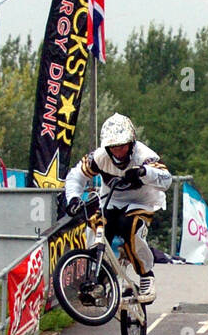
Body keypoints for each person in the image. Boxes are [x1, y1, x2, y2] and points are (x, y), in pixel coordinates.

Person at [64, 113, 172, 304]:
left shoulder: (144, 156)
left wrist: (144, 172)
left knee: (130, 227)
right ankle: (99, 277)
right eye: (113, 147)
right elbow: (76, 176)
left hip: (142, 203)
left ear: (131, 143)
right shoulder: (99, 157)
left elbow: (166, 180)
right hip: (112, 201)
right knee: (97, 225)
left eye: (122, 146)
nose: (118, 152)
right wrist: (73, 198)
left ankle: (146, 275)